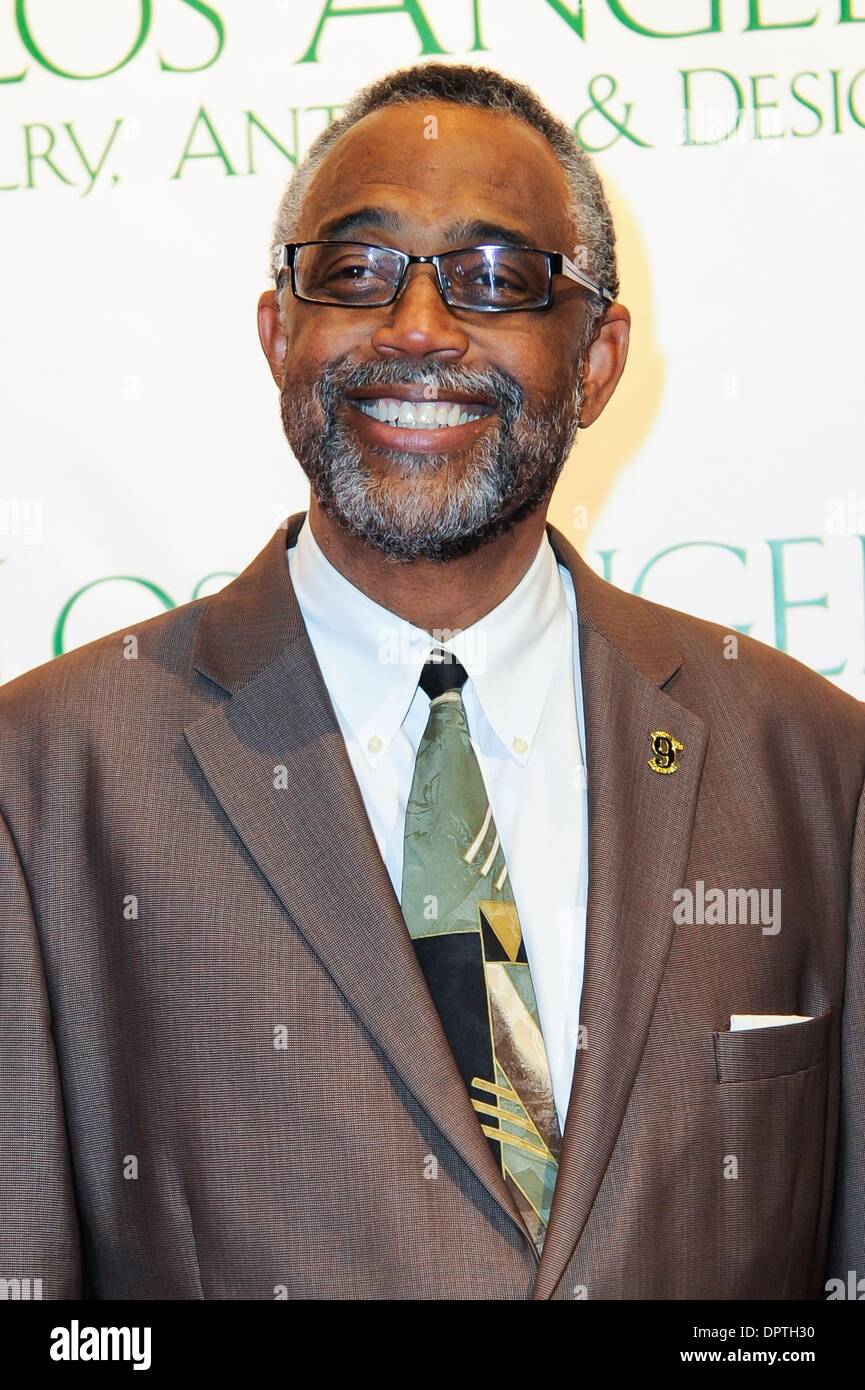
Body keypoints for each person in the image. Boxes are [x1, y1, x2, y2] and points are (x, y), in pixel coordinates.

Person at [1, 62, 863, 1301]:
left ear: (600, 358)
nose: (415, 327)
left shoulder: (813, 768)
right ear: (278, 333)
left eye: (496, 279)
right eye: (353, 274)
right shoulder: (45, 780)